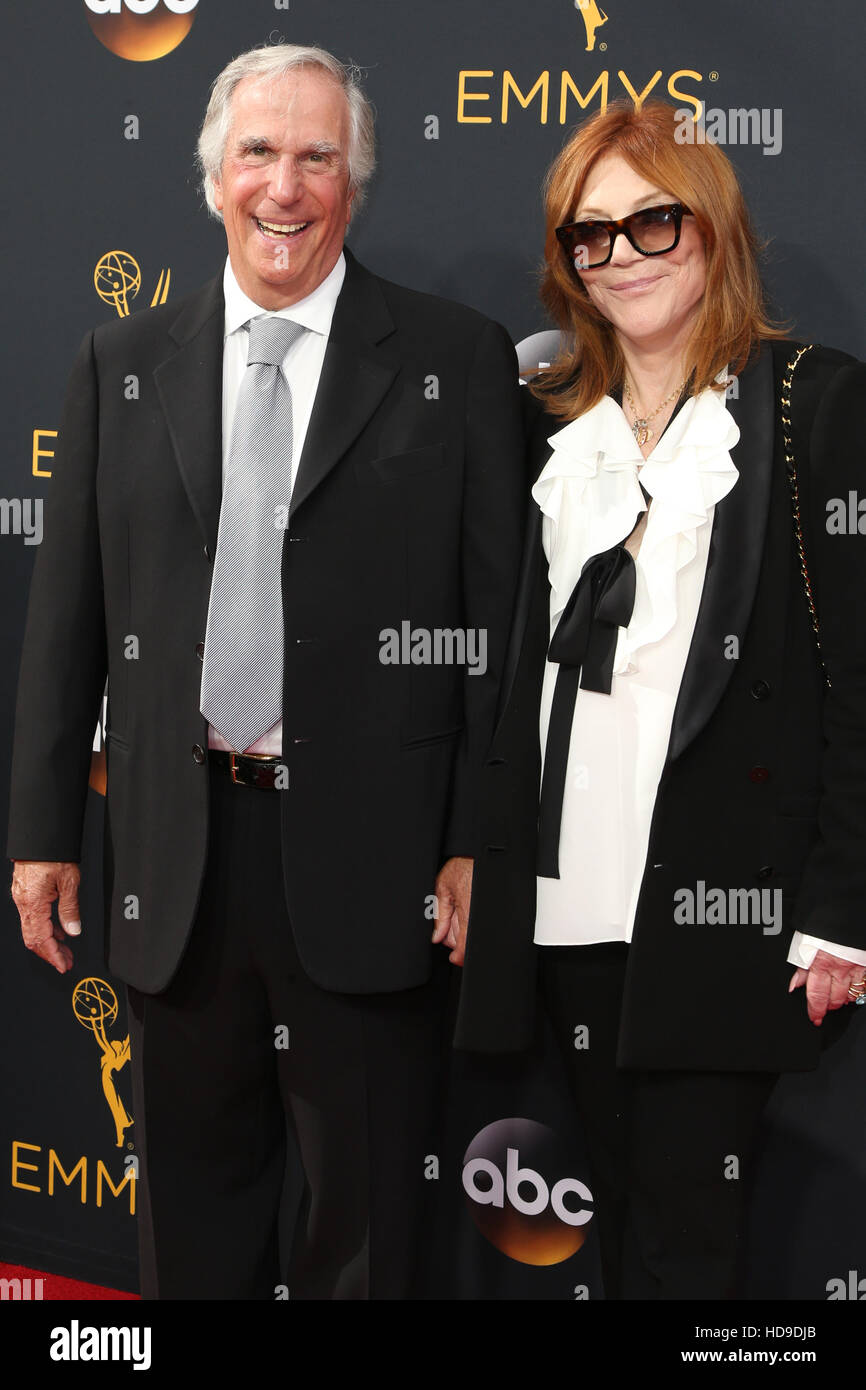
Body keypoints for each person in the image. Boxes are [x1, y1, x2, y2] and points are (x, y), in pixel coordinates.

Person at [7, 42, 524, 1300]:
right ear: (210, 177)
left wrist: (475, 841)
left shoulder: (456, 360)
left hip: (374, 863)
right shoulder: (117, 365)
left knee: (364, 1235)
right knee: (190, 1214)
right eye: (256, 152)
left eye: (314, 156)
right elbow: (67, 620)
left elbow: (495, 634)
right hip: (177, 857)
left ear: (354, 182)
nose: (282, 187)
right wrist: (39, 832)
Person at [440, 100, 866, 1300]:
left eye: (650, 223)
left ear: (713, 228)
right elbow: (504, 664)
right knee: (621, 1224)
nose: (620, 255)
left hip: (721, 916)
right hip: (572, 907)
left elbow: (855, 684)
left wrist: (839, 909)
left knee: (689, 1248)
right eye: (591, 236)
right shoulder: (548, 436)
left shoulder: (808, 410)